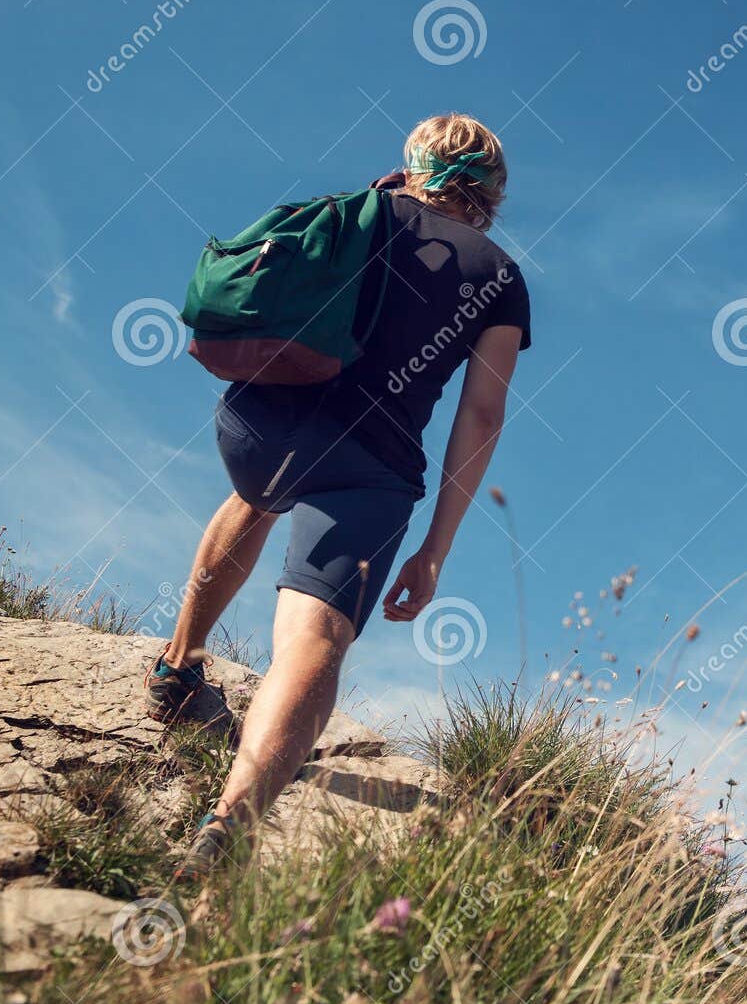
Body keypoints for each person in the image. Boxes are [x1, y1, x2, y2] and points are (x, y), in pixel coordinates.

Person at [146, 113, 531, 876]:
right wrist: (434, 550)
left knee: (259, 497)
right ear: (491, 193)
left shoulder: (357, 210)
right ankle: (229, 823)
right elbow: (482, 414)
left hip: (258, 426)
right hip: (370, 468)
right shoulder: (499, 277)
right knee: (316, 638)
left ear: (414, 163)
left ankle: (178, 666)